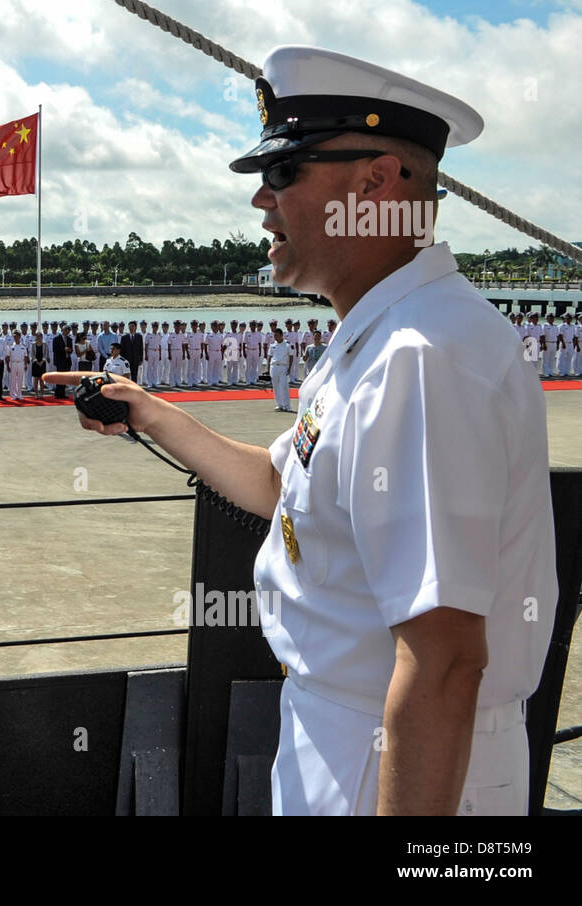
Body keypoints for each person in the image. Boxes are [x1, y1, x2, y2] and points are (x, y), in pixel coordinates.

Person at [47, 44, 556, 817]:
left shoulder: (421, 360)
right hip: (343, 735)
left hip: (392, 763)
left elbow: (447, 661)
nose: (260, 201)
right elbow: (286, 485)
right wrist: (148, 411)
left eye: (283, 173)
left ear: (375, 182)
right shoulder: (378, 339)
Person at [268, 328, 293, 411]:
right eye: (274, 335)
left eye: (277, 335)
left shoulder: (287, 344)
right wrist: (268, 368)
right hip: (274, 367)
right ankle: (279, 405)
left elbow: (291, 356)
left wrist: (289, 368)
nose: (275, 337)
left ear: (281, 335)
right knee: (276, 386)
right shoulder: (272, 345)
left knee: (284, 386)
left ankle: (287, 405)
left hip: (283, 367)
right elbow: (270, 356)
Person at [6, 330, 28, 400]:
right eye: (14, 336)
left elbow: (25, 356)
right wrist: (7, 366)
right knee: (13, 380)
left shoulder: (23, 346)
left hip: (21, 363)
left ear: (19, 336)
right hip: (13, 364)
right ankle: (13, 394)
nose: (16, 338)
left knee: (20, 379)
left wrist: (25, 365)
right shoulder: (11, 346)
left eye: (17, 336)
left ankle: (19, 394)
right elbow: (7, 357)